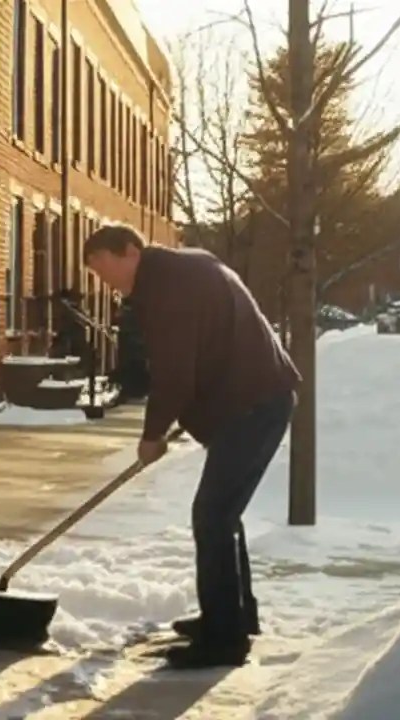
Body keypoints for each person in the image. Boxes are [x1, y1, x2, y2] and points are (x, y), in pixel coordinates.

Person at [83, 223, 301, 669]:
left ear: (129, 251)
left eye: (107, 272)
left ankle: (223, 640)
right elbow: (203, 351)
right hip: (257, 399)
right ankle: (234, 620)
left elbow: (175, 372)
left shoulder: (166, 287)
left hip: (254, 404)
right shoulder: (184, 267)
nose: (108, 285)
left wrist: (152, 435)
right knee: (222, 516)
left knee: (212, 516)